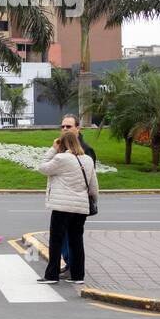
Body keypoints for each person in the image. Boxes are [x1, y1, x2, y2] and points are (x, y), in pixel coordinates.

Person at [36, 132, 98, 284]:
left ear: (62, 144)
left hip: (62, 207)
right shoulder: (88, 160)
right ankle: (78, 276)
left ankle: (52, 275)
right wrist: (92, 201)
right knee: (76, 240)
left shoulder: (61, 158)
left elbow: (42, 167)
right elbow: (94, 186)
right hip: (81, 208)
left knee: (56, 240)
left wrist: (53, 149)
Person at [56, 115, 95, 272]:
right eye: (63, 126)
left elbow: (91, 177)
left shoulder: (87, 150)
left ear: (78, 128)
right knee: (64, 235)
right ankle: (69, 263)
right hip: (63, 200)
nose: (65, 129)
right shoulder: (62, 148)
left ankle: (74, 266)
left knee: (74, 237)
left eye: (69, 126)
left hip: (78, 201)